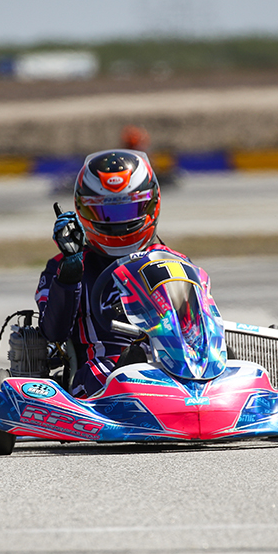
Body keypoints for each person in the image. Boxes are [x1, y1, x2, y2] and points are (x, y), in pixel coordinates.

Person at [35, 149, 185, 397]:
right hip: (104, 370)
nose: (119, 224)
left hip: (174, 364)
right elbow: (54, 332)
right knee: (124, 374)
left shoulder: (173, 262)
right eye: (106, 213)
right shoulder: (65, 267)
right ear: (83, 211)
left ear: (151, 205)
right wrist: (69, 276)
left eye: (127, 212)